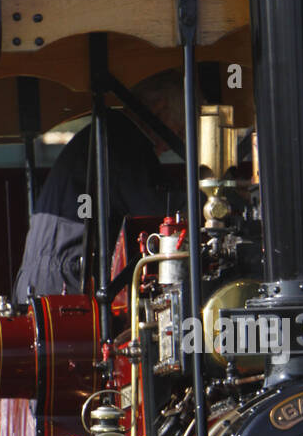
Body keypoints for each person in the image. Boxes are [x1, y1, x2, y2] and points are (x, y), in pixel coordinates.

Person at [13, 69, 187, 301]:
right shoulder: (125, 141)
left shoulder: (107, 133)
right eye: (181, 127)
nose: (178, 138)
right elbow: (159, 212)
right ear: (158, 106)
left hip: (39, 280)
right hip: (67, 282)